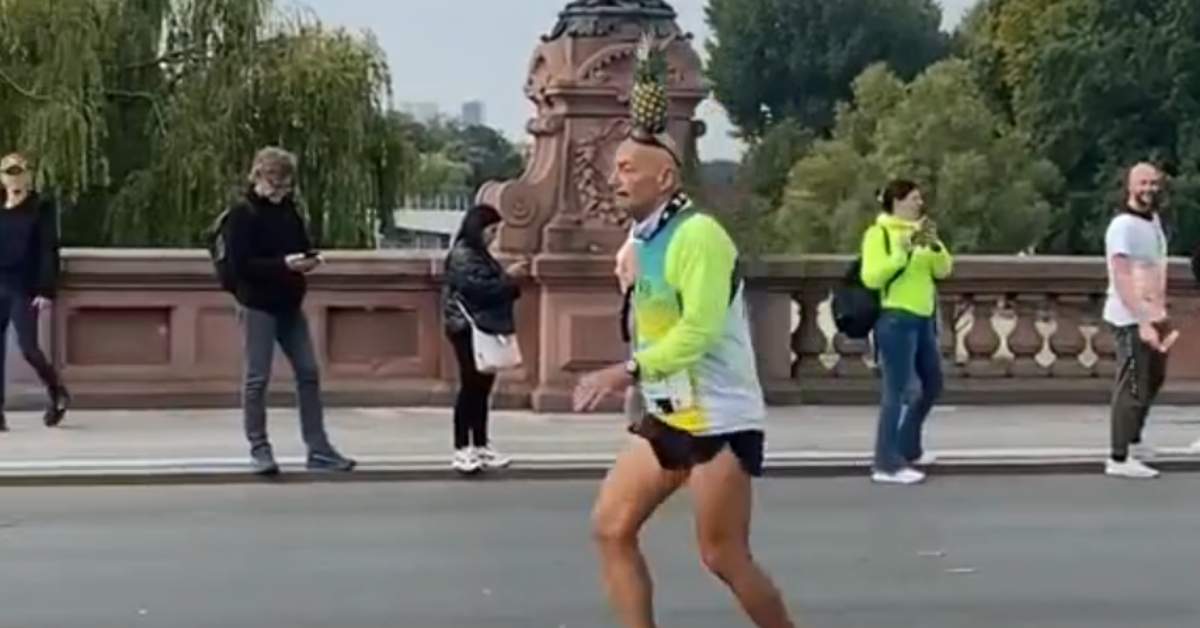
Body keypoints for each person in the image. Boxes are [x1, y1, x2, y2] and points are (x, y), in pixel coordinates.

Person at [572, 36, 797, 628]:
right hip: (674, 412)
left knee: (722, 555)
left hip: (720, 417)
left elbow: (697, 329)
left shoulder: (700, 237)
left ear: (665, 177)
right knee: (610, 527)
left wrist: (623, 371)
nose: (614, 177)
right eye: (614, 167)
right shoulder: (649, 234)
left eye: (627, 169)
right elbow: (648, 278)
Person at [223, 147, 355, 475]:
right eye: (274, 183)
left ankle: (319, 448)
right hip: (257, 304)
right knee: (257, 378)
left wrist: (308, 259)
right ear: (257, 176)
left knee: (309, 373)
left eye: (285, 184)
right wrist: (283, 264)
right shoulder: (241, 215)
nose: (280, 190)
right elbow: (241, 266)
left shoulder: (289, 211)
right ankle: (260, 448)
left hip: (289, 303)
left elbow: (300, 243)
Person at [860, 179, 952, 485]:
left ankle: (908, 447)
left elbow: (943, 270)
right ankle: (885, 463)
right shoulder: (879, 234)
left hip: (924, 318)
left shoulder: (920, 231)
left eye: (919, 198)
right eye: (913, 199)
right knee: (896, 392)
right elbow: (871, 277)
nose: (919, 204)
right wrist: (902, 253)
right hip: (895, 318)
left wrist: (935, 246)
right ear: (897, 202)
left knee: (933, 383)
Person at [1103, 162, 1176, 479]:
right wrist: (1142, 320)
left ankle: (1134, 440)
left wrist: (1160, 314)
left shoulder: (1153, 221)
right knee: (1131, 386)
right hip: (1130, 318)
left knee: (1152, 380)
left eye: (1154, 183)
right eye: (1143, 183)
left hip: (1155, 315)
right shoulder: (1122, 227)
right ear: (1130, 187)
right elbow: (1122, 277)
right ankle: (1118, 458)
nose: (1149, 189)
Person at [442, 204, 525, 474]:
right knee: (470, 387)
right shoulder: (464, 255)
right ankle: (461, 448)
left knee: (481, 387)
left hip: (478, 326)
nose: (494, 236)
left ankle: (479, 444)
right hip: (466, 327)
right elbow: (481, 290)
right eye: (491, 230)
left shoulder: (477, 254)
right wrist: (510, 279)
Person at [0, 153, 70, 431]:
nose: (14, 177)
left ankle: (57, 392)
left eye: (19, 172)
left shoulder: (40, 206)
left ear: (28, 175)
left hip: (23, 285)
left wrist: (45, 288)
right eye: (8, 172)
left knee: (29, 348)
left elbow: (47, 249)